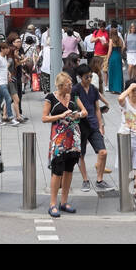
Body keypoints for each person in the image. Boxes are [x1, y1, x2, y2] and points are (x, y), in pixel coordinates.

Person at [43, 72, 86, 217]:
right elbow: (44, 118)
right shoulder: (50, 98)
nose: (71, 86)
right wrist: (60, 116)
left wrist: (78, 115)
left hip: (73, 138)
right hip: (59, 139)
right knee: (57, 171)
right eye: (68, 84)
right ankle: (53, 203)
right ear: (61, 86)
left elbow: (84, 111)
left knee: (69, 169)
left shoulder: (73, 96)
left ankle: (64, 202)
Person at [73, 64, 111, 192]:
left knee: (103, 152)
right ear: (80, 77)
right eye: (86, 77)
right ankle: (85, 180)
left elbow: (97, 108)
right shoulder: (75, 90)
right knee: (81, 154)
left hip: (94, 124)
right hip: (80, 125)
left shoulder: (94, 89)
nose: (89, 79)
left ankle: (99, 180)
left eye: (90, 76)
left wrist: (100, 125)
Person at [0, 41, 20, 125]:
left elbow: (4, 68)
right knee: (8, 98)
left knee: (0, 101)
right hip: (0, 82)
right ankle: (11, 117)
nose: (8, 50)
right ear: (2, 49)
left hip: (4, 81)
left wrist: (8, 73)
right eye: (6, 48)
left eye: (8, 48)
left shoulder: (4, 57)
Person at [106, 24, 124, 94]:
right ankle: (119, 88)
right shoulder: (119, 39)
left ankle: (113, 89)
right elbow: (123, 47)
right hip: (118, 56)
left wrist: (107, 59)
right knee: (119, 72)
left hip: (113, 56)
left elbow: (109, 50)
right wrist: (120, 53)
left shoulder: (111, 40)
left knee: (112, 72)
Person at [39, 26, 53, 95]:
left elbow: (39, 59)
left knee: (46, 81)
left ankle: (47, 91)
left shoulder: (44, 50)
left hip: (44, 68)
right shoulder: (55, 49)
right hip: (53, 68)